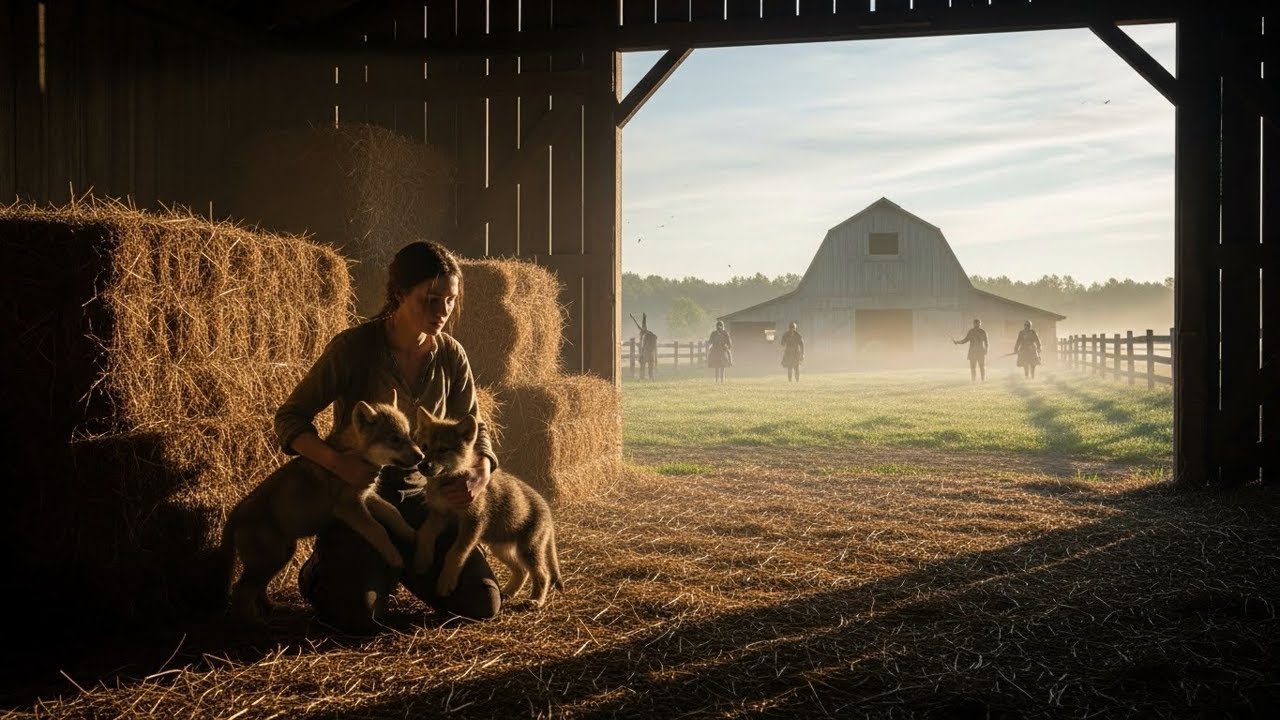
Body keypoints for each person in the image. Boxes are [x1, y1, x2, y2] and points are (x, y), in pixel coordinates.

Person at [274, 240, 502, 632]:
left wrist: (478, 475)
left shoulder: (451, 355)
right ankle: (323, 569)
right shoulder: (354, 348)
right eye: (430, 300)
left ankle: (398, 565)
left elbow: (477, 433)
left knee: (482, 602)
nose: (442, 311)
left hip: (425, 501)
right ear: (399, 294)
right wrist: (337, 463)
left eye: (450, 300)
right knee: (354, 616)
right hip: (359, 499)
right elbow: (289, 418)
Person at [953, 318, 988, 382]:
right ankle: (974, 380)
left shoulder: (982, 332)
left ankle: (982, 379)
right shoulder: (971, 332)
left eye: (978, 323)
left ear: (980, 324)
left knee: (981, 367)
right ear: (974, 324)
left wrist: (986, 350)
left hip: (979, 352)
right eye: (976, 323)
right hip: (973, 352)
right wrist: (958, 342)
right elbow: (965, 340)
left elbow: (986, 342)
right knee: (973, 367)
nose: (977, 324)